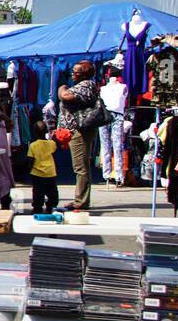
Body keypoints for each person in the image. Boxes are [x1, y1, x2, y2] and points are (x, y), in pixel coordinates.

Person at [57, 60, 100, 211]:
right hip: (80, 130)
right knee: (81, 166)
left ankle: (80, 201)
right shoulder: (85, 85)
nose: (72, 75)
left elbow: (66, 97)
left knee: (80, 167)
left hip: (81, 131)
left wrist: (61, 88)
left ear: (83, 74)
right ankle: (81, 199)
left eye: (75, 72)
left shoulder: (86, 85)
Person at [99, 66, 128, 186]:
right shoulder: (103, 88)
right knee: (107, 145)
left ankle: (117, 175)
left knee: (116, 146)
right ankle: (109, 174)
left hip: (115, 116)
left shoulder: (123, 87)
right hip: (107, 116)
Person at [27, 120, 59, 214]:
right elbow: (54, 154)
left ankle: (37, 208)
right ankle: (51, 206)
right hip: (50, 172)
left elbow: (30, 160)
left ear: (34, 132)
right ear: (46, 131)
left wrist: (29, 169)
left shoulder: (33, 145)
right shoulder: (52, 143)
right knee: (52, 192)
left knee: (38, 192)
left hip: (37, 173)